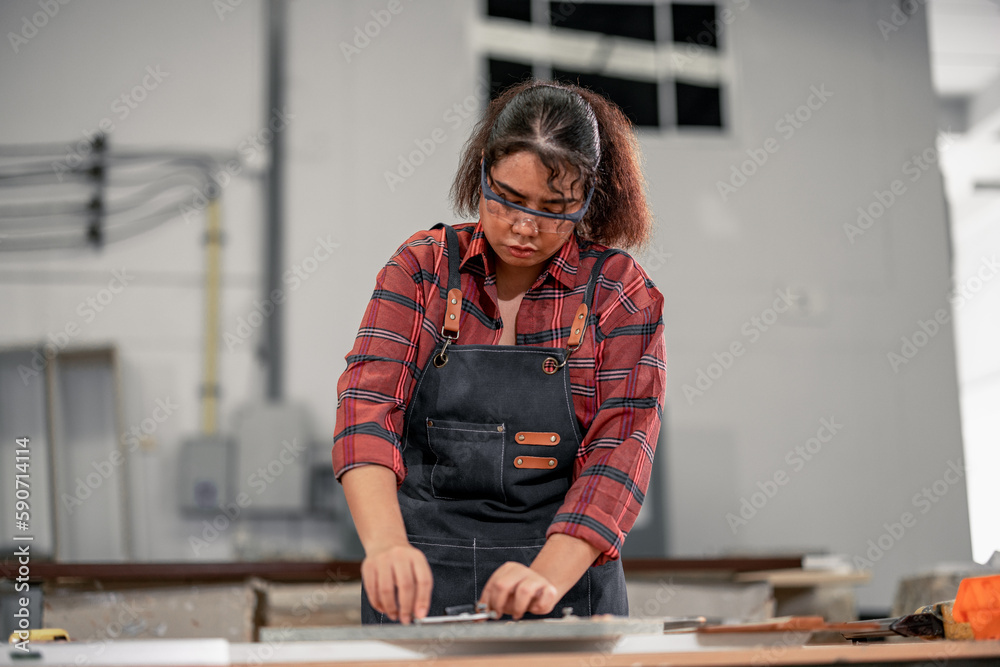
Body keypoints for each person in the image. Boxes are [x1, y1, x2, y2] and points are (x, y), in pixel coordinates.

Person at [333, 79, 666, 625]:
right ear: (483, 171)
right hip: (419, 584)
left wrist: (547, 575)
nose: (525, 228)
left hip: (564, 588)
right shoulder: (422, 270)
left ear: (588, 198)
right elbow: (366, 412)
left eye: (554, 209)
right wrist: (386, 546)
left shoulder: (618, 293)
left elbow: (621, 450)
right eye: (508, 198)